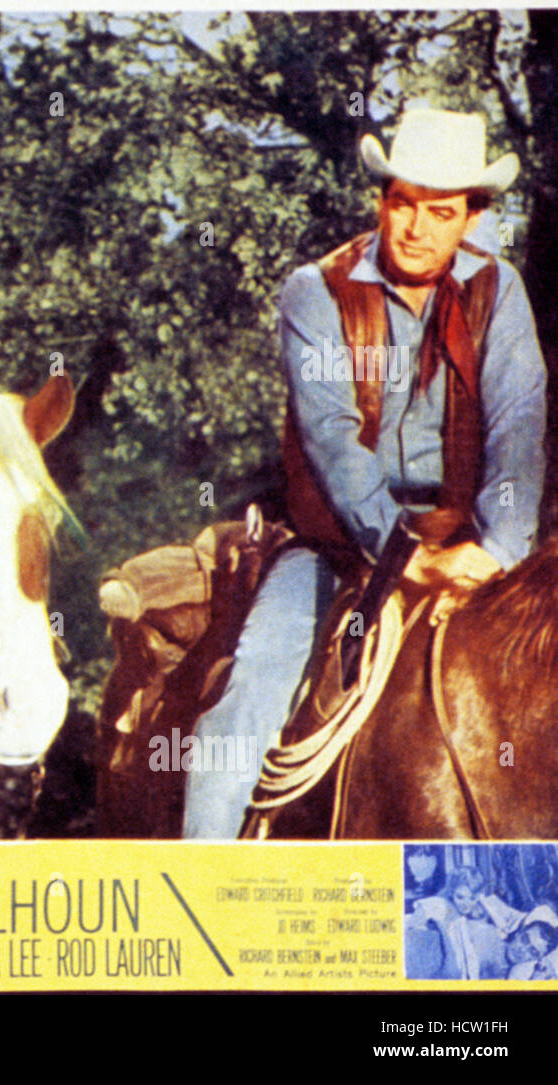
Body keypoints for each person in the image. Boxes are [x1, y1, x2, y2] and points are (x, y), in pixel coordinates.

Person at [183, 107, 547, 838]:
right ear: (382, 201)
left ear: (471, 217)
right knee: (243, 707)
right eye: (401, 203)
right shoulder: (316, 291)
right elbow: (334, 445)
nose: (415, 228)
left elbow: (520, 425)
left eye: (439, 211)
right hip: (340, 548)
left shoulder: (499, 290)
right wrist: (408, 558)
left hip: (474, 546)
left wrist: (498, 549)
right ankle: (203, 891)